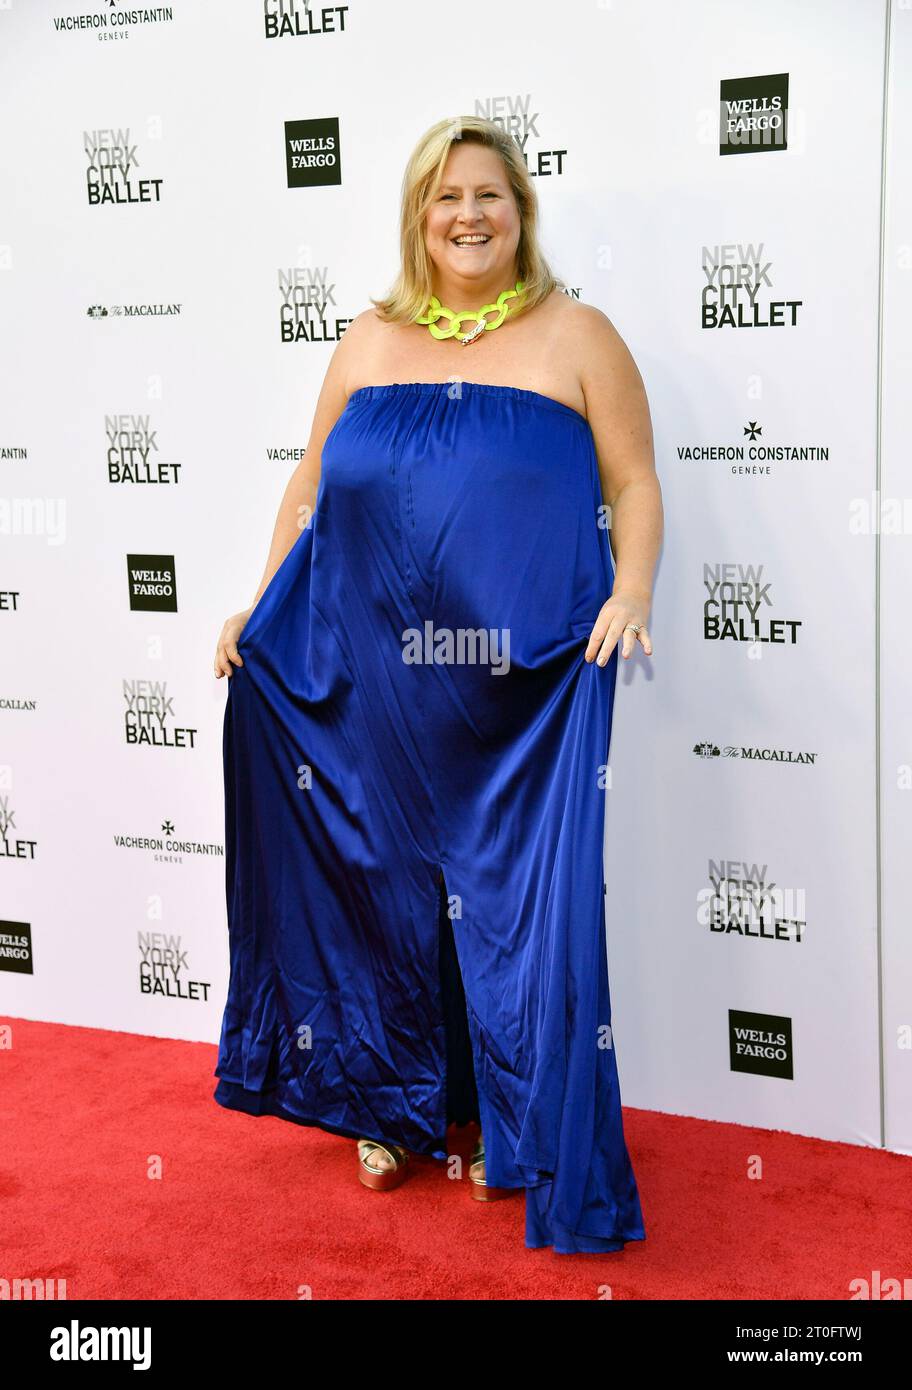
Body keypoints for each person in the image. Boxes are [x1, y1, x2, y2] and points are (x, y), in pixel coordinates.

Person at [212, 114, 662, 1255]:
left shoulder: (579, 335)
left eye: (490, 196)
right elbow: (311, 486)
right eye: (447, 196)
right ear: (420, 214)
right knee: (376, 889)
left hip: (525, 686)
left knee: (525, 910)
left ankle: (512, 1128)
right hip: (369, 674)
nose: (469, 215)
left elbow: (634, 477)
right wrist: (262, 609)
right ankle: (386, 1107)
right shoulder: (368, 340)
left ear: (523, 212)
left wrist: (635, 588)